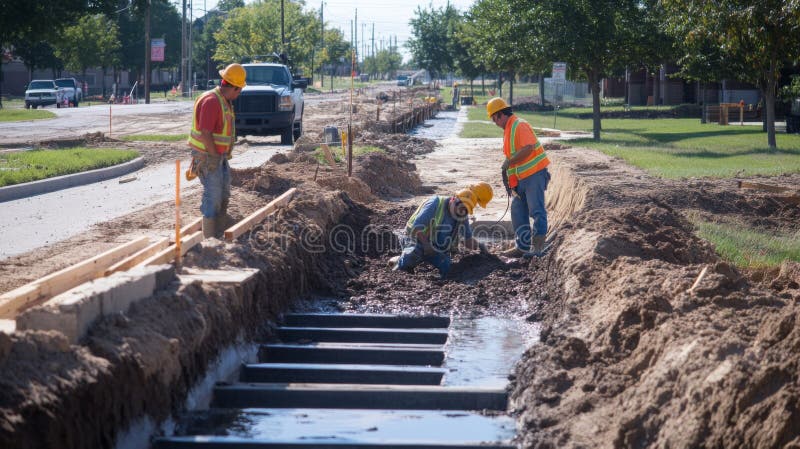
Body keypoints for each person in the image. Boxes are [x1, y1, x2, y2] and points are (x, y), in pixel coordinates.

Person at [186, 63, 246, 238]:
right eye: (240, 88)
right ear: (234, 88)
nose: (240, 92)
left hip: (217, 155)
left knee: (224, 190)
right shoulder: (213, 101)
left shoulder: (224, 100)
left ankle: (220, 229)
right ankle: (210, 236)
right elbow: (205, 133)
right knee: (213, 194)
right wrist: (213, 156)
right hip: (207, 155)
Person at [486, 97, 551, 257]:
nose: (495, 123)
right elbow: (513, 161)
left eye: (495, 119)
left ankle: (537, 248)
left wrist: (509, 161)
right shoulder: (508, 130)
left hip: (534, 175)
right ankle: (521, 246)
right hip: (521, 179)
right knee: (517, 211)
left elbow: (528, 149)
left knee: (537, 211)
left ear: (500, 114)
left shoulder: (519, 125)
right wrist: (512, 183)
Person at [389, 183, 493, 279]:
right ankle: (400, 263)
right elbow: (416, 227)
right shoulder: (435, 203)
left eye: (465, 210)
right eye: (460, 207)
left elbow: (467, 239)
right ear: (453, 199)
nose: (460, 212)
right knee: (412, 255)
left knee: (446, 266)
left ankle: (415, 259)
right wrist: (426, 245)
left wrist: (479, 245)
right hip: (416, 240)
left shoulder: (462, 215)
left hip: (436, 248)